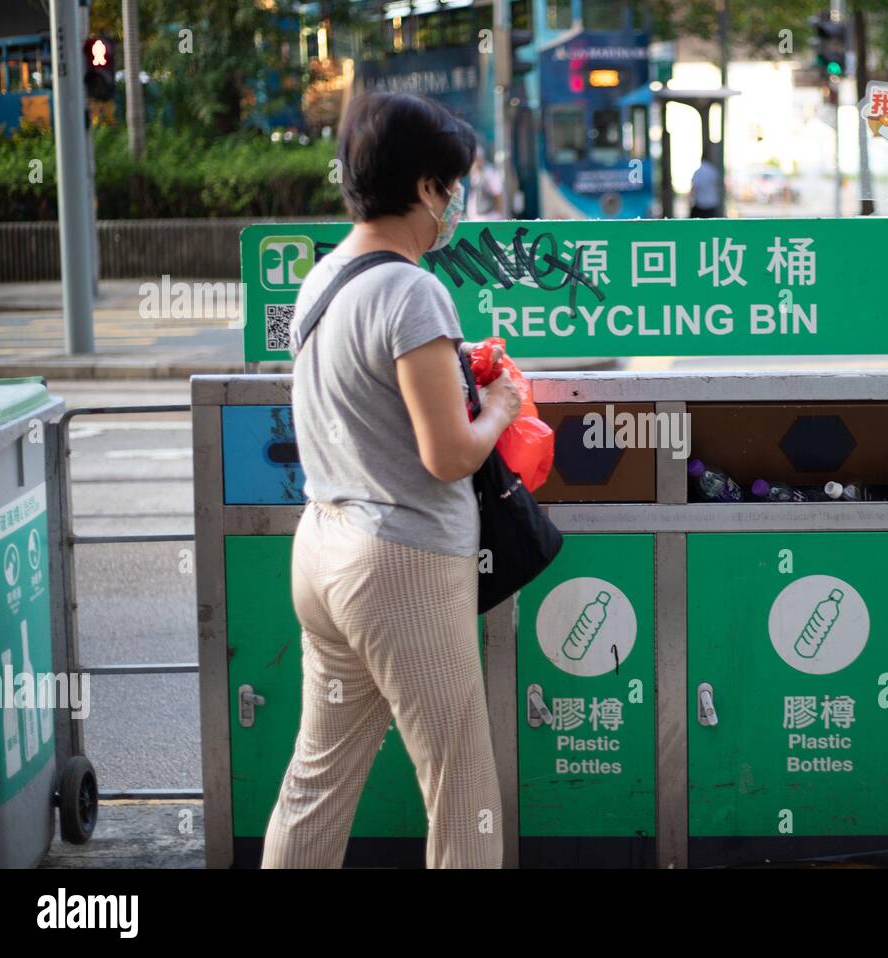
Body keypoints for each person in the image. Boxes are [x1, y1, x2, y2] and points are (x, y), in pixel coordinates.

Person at [261, 92, 522, 869]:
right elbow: (449, 454)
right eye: (449, 185)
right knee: (462, 786)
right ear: (422, 186)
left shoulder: (324, 278)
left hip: (322, 550)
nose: (453, 203)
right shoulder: (412, 291)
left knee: (319, 776)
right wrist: (502, 404)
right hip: (399, 563)